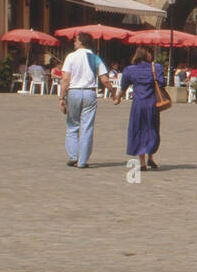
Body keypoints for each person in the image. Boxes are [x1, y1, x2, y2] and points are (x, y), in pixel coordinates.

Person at [58, 31, 117, 167]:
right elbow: (105, 80)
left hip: (74, 92)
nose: (74, 42)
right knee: (87, 126)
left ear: (80, 42)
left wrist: (62, 97)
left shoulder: (71, 57)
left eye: (75, 40)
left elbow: (65, 79)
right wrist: (113, 93)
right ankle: (82, 161)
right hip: (90, 93)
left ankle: (73, 155)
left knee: (73, 124)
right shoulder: (95, 58)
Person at [120, 47, 166, 171]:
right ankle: (151, 156)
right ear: (148, 55)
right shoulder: (156, 68)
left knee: (139, 130)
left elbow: (124, 85)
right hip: (152, 104)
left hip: (138, 104)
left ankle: (142, 162)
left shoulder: (130, 70)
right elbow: (162, 83)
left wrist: (117, 97)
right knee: (152, 129)